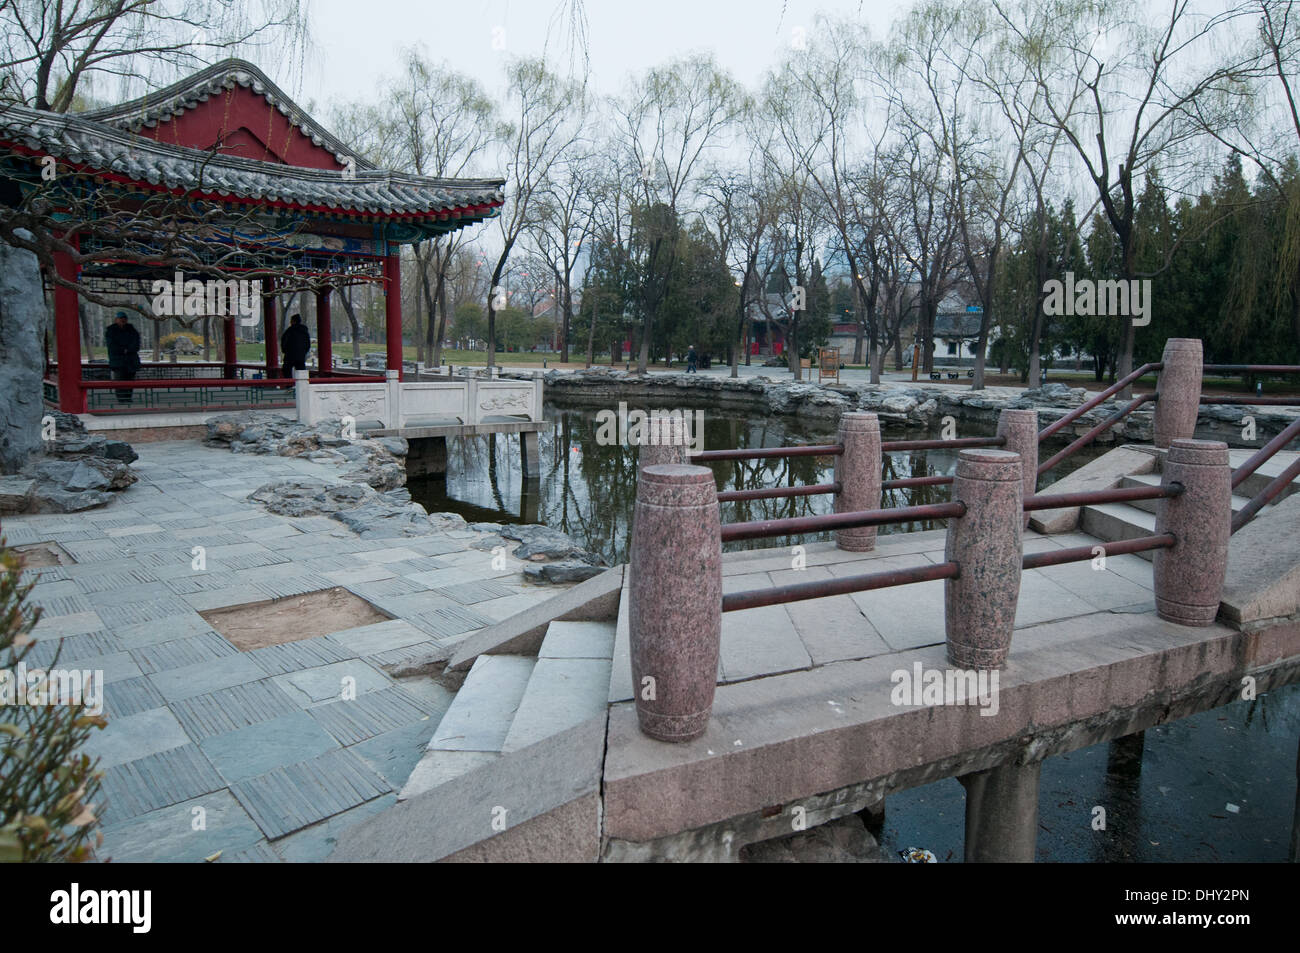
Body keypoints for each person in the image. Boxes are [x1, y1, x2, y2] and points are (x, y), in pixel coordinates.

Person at [105, 311, 141, 403]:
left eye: (124, 319)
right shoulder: (111, 331)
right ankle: (121, 399)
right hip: (118, 361)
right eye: (120, 319)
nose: (122, 320)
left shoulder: (131, 330)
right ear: (116, 320)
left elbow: (136, 343)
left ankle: (128, 398)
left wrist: (128, 350)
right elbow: (112, 345)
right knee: (120, 380)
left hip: (131, 360)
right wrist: (123, 350)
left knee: (130, 380)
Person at [280, 313, 311, 383]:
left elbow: (284, 341)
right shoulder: (304, 331)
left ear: (293, 321)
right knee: (301, 371)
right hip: (301, 356)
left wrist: (285, 351)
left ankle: (289, 385)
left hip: (290, 355)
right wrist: (303, 352)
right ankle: (302, 386)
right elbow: (308, 344)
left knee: (286, 369)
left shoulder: (289, 331)